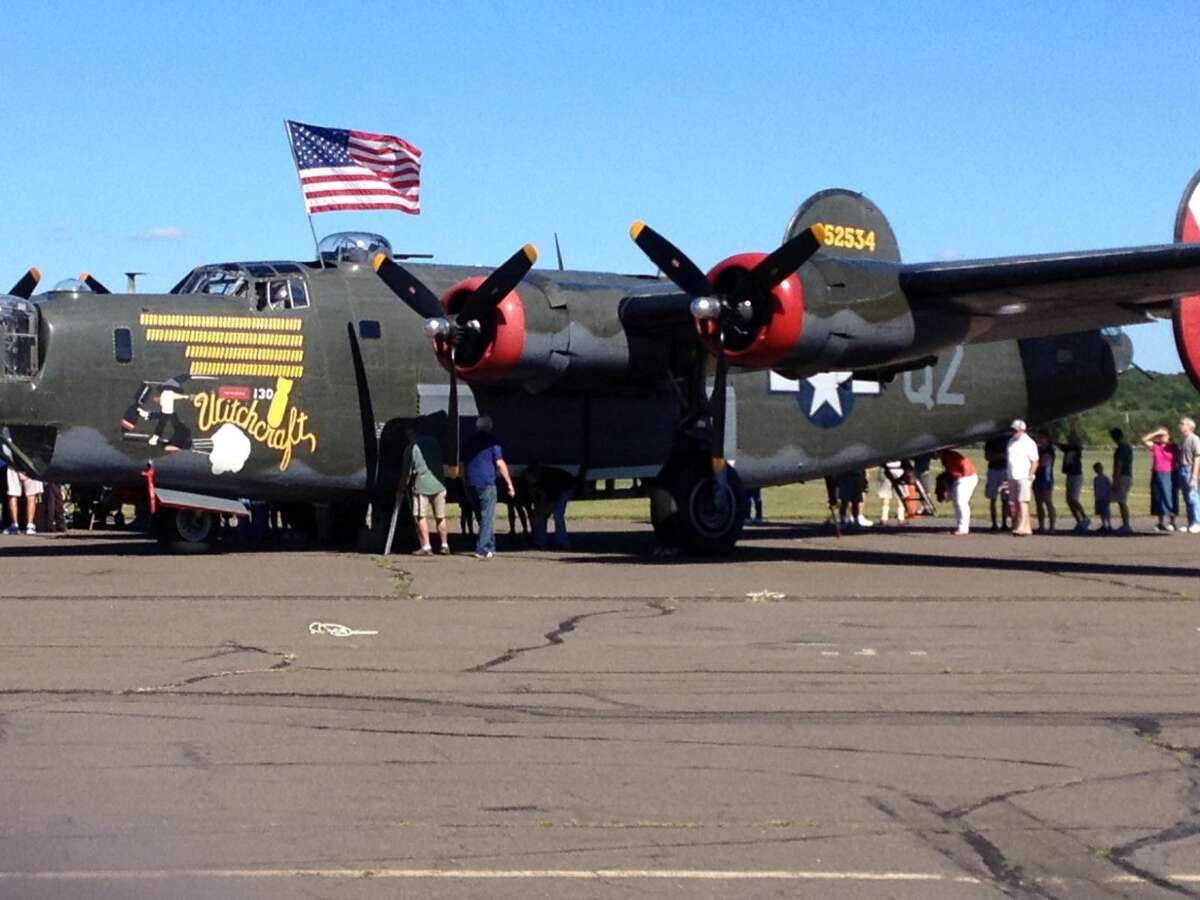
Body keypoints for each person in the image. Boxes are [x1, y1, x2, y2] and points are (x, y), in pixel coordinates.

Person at [462, 416, 515, 559]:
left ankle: (490, 546)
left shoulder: (469, 441)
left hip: (471, 482)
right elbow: (499, 463)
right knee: (487, 516)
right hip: (486, 482)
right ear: (490, 427)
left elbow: (463, 463)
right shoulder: (492, 442)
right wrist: (509, 484)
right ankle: (482, 548)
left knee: (481, 515)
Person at [402, 425, 449, 555]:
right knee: (440, 516)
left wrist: (402, 487)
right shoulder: (434, 442)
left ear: (410, 432)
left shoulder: (411, 447)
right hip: (439, 484)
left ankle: (426, 546)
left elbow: (407, 473)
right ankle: (444, 544)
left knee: (421, 516)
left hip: (422, 485)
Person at [528, 464, 574, 550]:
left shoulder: (549, 481)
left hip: (565, 488)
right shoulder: (536, 481)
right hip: (555, 491)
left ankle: (562, 543)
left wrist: (541, 510)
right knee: (542, 516)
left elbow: (551, 499)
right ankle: (540, 541)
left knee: (558, 514)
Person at [1141, 426, 1178, 532]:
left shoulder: (1173, 446)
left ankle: (1172, 521)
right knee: (1158, 497)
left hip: (1169, 473)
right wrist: (1156, 432)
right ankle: (1160, 522)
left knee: (1169, 496)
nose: (1162, 437)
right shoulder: (1156, 446)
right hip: (1157, 472)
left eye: (1164, 435)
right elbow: (1144, 440)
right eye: (1160, 436)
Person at [1006, 419, 1039, 536]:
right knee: (1014, 501)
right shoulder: (1011, 441)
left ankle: (1022, 526)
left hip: (1023, 475)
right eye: (1012, 430)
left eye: (1015, 430)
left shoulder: (1029, 443)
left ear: (1022, 430)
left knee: (1022, 501)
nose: (1013, 432)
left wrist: (1030, 474)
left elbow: (1035, 461)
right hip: (1012, 475)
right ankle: (1026, 526)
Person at [938, 447, 978, 535]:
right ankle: (960, 526)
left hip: (967, 477)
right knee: (956, 502)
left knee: (961, 502)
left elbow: (965, 463)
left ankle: (963, 528)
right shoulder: (945, 459)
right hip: (959, 478)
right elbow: (949, 472)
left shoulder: (952, 456)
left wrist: (964, 476)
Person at [1058, 433, 1090, 532]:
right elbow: (1059, 445)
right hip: (1069, 475)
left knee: (1073, 498)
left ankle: (1085, 517)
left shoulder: (1077, 448)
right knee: (1069, 500)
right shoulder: (1068, 448)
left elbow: (1078, 446)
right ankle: (1079, 521)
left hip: (1076, 475)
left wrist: (1074, 429)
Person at [983, 435, 1010, 532]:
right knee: (993, 497)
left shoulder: (1008, 438)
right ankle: (994, 523)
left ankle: (1004, 523)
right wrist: (1002, 456)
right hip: (993, 469)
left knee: (1005, 498)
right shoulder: (991, 439)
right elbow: (987, 456)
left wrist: (997, 456)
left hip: (1005, 469)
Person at [1178, 416, 1200, 534]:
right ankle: (1191, 522)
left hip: (1189, 468)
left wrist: (1194, 476)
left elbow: (1197, 457)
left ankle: (1197, 522)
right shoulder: (1183, 440)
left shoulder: (1194, 439)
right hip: (1182, 468)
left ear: (1189, 427)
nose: (1180, 426)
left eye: (1182, 424)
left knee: (1192, 497)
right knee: (1186, 498)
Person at [1110, 428, 1134, 534]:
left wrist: (1115, 480)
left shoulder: (1120, 448)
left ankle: (1126, 524)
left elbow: (1118, 464)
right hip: (1128, 475)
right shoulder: (1128, 447)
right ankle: (1125, 523)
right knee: (1122, 500)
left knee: (1121, 501)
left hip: (1122, 476)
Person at [1032, 432, 1057, 533]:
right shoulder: (1037, 449)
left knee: (1048, 501)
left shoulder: (1049, 450)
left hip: (1046, 479)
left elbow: (1043, 463)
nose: (1039, 440)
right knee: (1038, 503)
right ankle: (1041, 525)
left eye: (1042, 438)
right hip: (1037, 477)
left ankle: (1052, 526)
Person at [6, 467, 43, 534]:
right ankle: (30, 525)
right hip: (31, 463)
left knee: (13, 494)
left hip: (13, 463)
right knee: (31, 495)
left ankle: (15, 524)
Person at [1093, 462, 1112, 533]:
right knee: (1101, 512)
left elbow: (1109, 487)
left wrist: (1109, 496)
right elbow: (1095, 488)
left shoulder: (1105, 478)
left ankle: (1109, 525)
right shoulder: (1095, 479)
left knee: (1106, 512)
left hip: (1105, 497)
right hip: (1099, 498)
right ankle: (1104, 525)